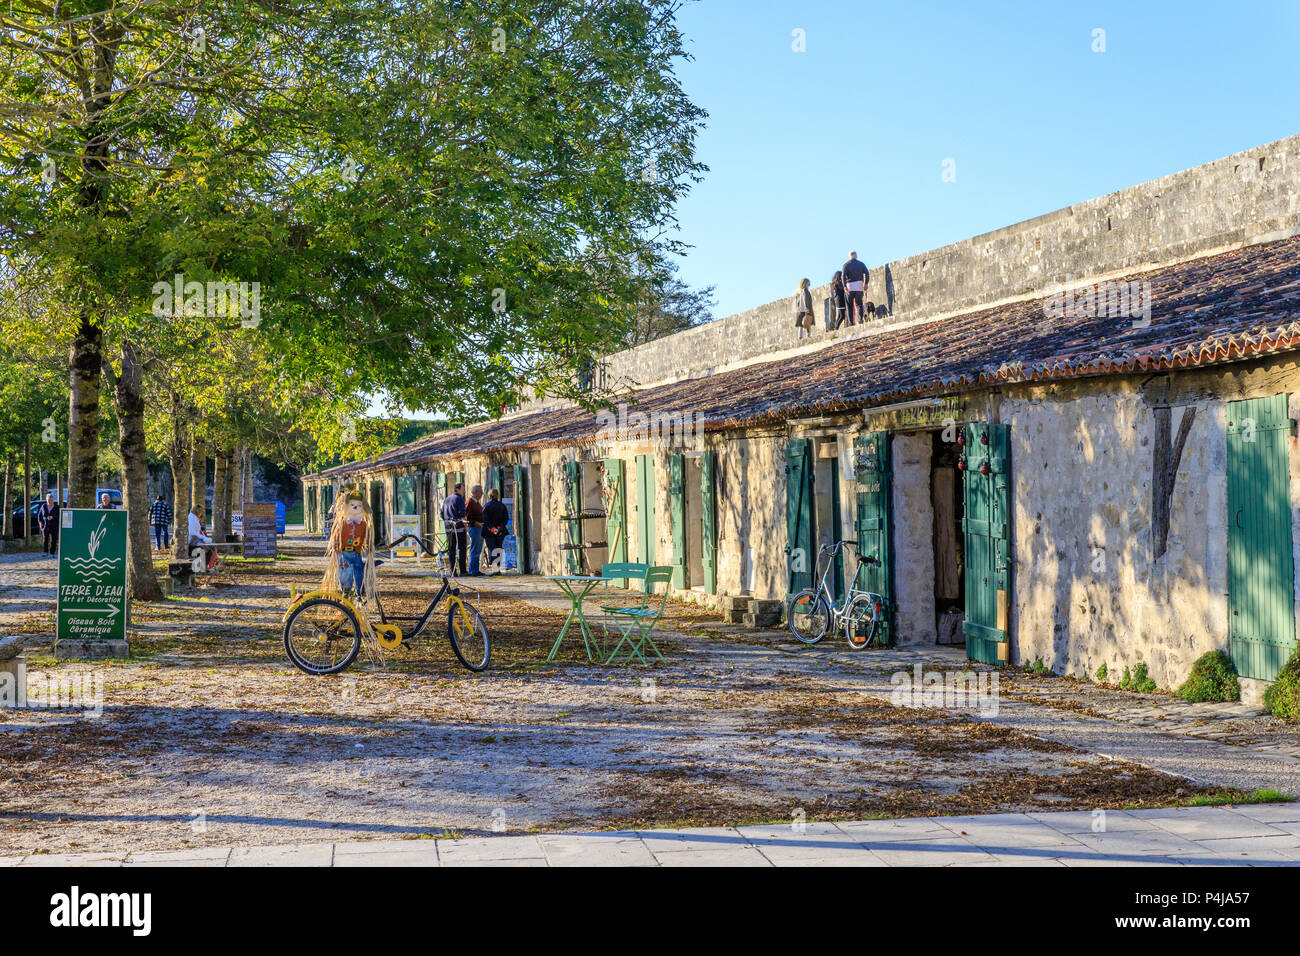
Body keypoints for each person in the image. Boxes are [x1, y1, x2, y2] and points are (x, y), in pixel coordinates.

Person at [322, 491, 377, 602]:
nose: (356, 507)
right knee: (345, 573)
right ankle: (345, 593)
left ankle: (358, 593)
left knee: (358, 572)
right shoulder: (342, 524)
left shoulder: (363, 525)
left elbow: (365, 537)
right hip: (344, 554)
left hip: (357, 553)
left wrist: (368, 546)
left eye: (359, 505)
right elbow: (336, 537)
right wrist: (336, 548)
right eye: (352, 505)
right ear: (346, 508)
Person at [440, 482, 469, 576]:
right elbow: (463, 514)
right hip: (459, 528)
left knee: (451, 549)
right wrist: (466, 527)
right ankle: (463, 571)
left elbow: (441, 514)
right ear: (457, 489)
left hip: (448, 527)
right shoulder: (459, 499)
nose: (464, 491)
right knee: (462, 549)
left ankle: (452, 571)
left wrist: (447, 521)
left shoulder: (446, 499)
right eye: (463, 489)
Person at [482, 488, 509, 575]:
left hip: (490, 531)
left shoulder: (487, 506)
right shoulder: (502, 506)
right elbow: (505, 519)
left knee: (492, 549)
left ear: (489, 495)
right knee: (498, 548)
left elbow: (485, 519)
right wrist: (499, 527)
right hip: (500, 531)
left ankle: (495, 569)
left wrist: (492, 528)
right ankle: (498, 568)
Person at [842, 251, 869, 325]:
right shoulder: (861, 264)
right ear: (856, 256)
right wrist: (866, 283)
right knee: (859, 304)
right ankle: (860, 320)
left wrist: (844, 286)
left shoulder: (846, 265)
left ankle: (851, 323)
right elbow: (867, 273)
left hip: (849, 286)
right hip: (859, 285)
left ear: (849, 256)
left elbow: (843, 276)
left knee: (849, 306)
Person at [187, 505, 217, 570]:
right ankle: (204, 567)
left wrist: (204, 538)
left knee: (211, 548)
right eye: (200, 512)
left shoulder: (194, 518)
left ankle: (206, 567)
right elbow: (193, 533)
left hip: (195, 541)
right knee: (206, 549)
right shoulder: (192, 518)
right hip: (192, 543)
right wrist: (203, 538)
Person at [465, 485, 485, 576]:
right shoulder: (470, 502)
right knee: (475, 549)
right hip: (474, 528)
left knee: (478, 549)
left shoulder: (476, 502)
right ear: (475, 492)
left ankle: (475, 569)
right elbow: (468, 516)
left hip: (479, 528)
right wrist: (475, 522)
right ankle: (473, 570)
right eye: (480, 492)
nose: (482, 494)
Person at [37, 492, 60, 556]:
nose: (50, 501)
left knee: (54, 540)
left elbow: (60, 516)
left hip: (54, 526)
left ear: (53, 500)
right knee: (45, 540)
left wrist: (52, 517)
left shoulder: (57, 507)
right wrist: (40, 522)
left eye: (51, 500)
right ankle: (45, 552)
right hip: (45, 525)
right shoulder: (43, 506)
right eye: (48, 500)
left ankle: (52, 552)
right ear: (46, 500)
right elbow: (39, 515)